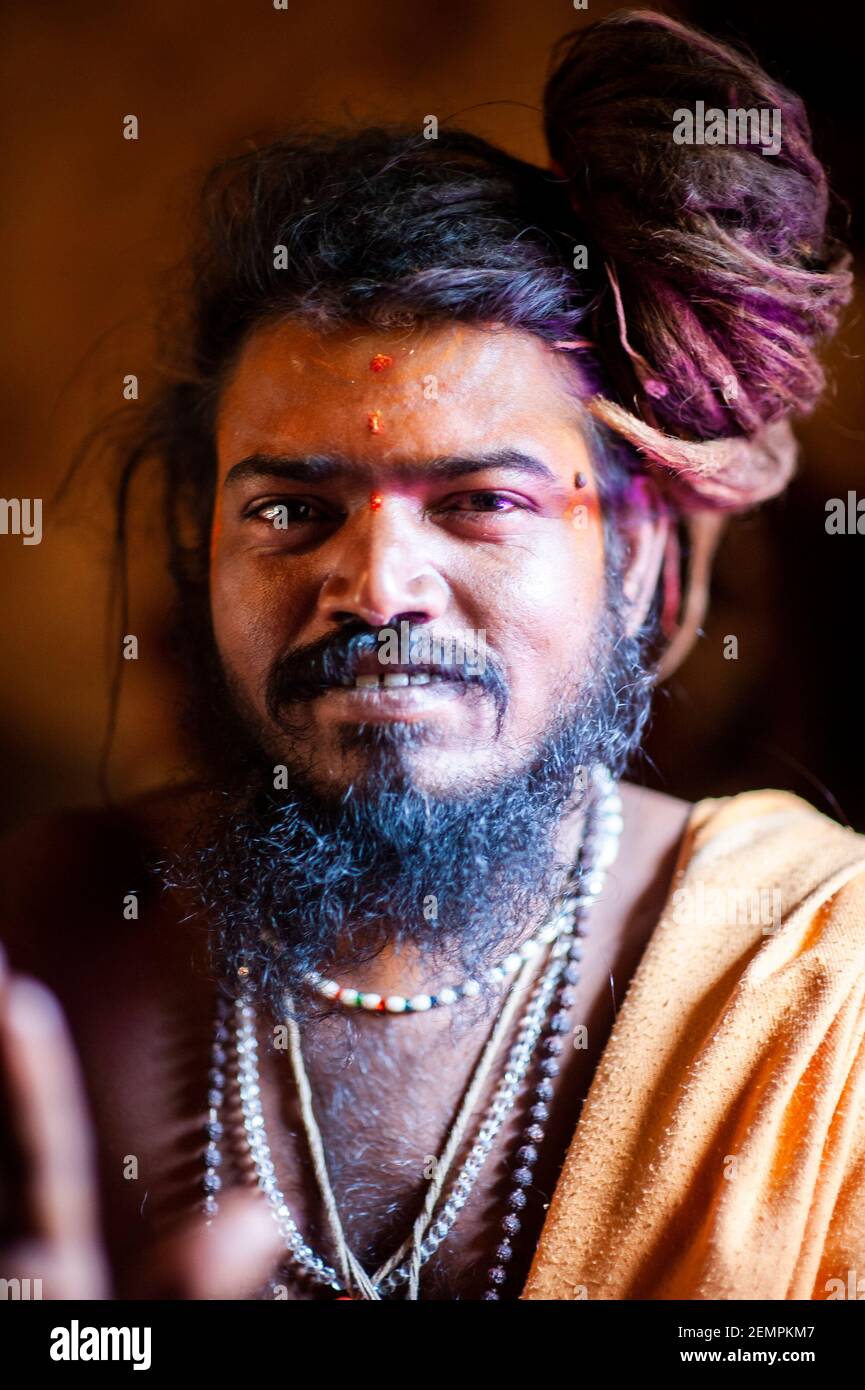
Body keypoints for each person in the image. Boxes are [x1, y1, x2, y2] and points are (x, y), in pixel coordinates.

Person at [2, 9, 863, 1302]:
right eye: (290, 508)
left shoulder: (816, 976)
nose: (374, 587)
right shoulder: (39, 942)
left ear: (630, 557)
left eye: (477, 501)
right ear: (201, 550)